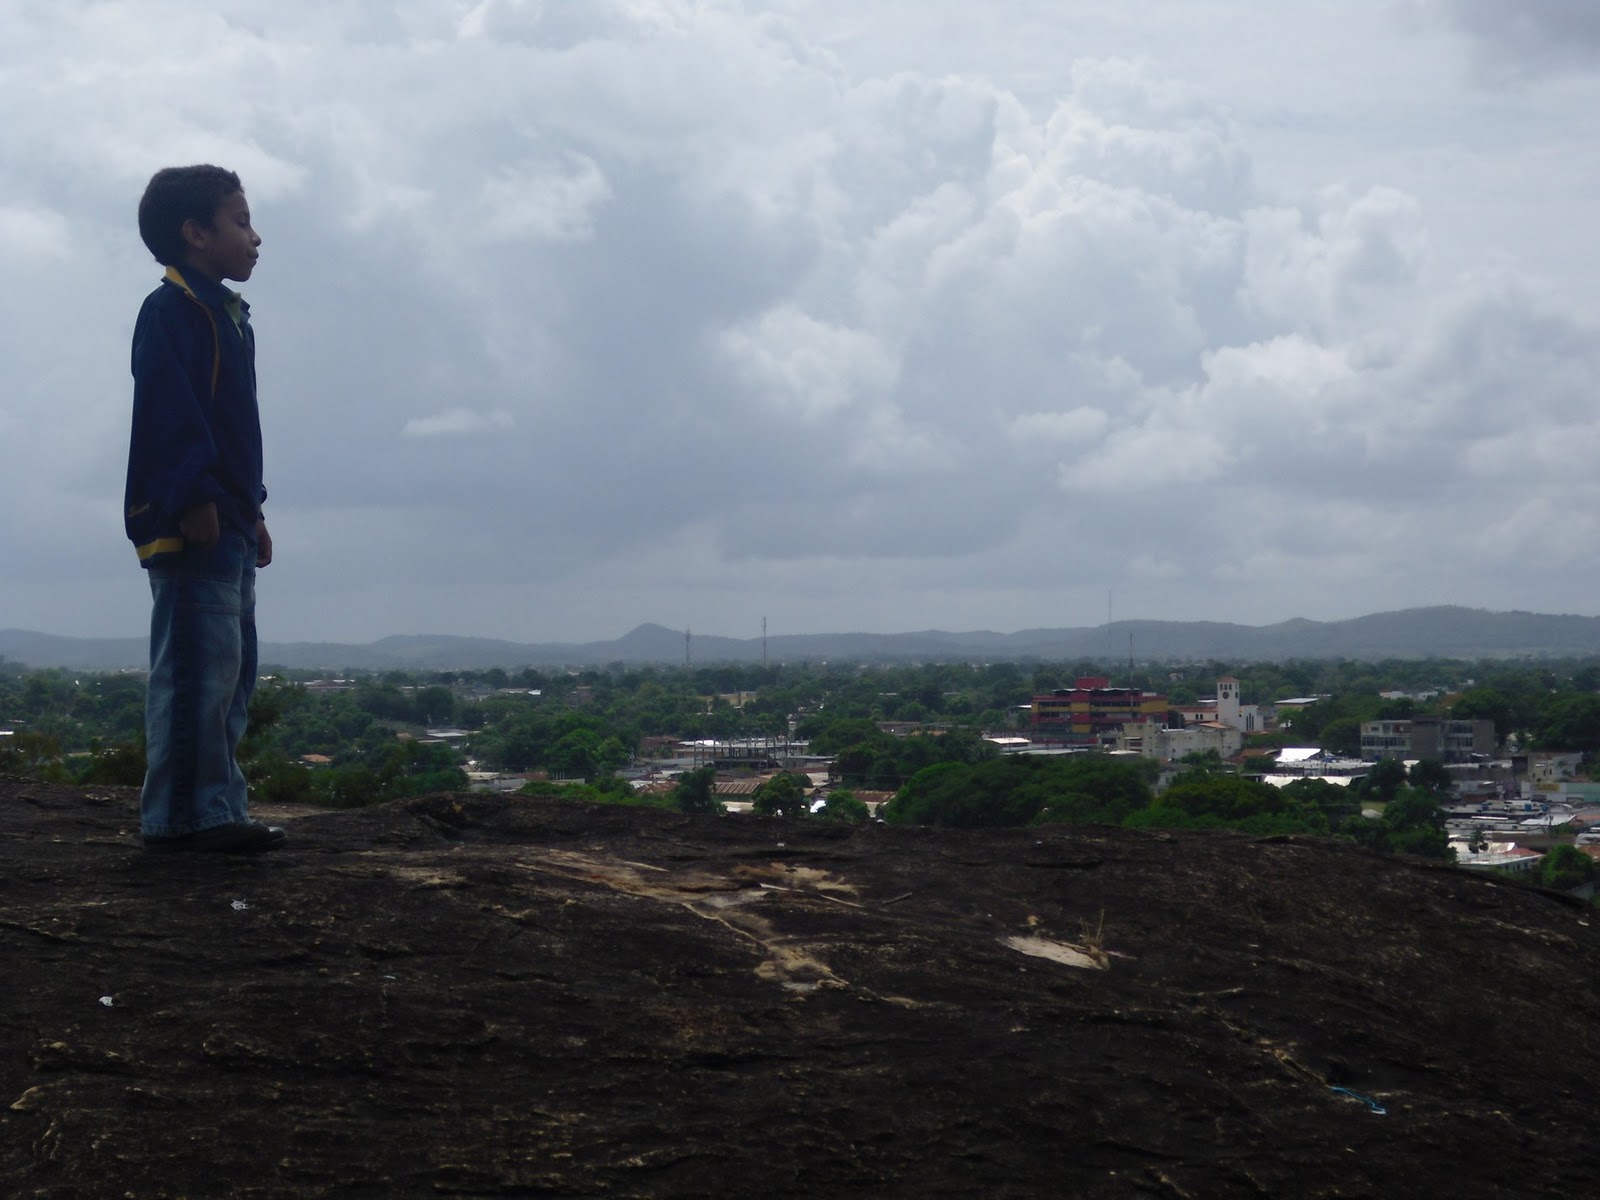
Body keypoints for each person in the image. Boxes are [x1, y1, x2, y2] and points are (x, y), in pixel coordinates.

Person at [124, 164, 285, 854]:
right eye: (240, 221)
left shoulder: (223, 312)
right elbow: (169, 410)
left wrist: (253, 509)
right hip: (196, 520)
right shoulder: (172, 310)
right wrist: (191, 496)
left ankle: (215, 807)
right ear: (196, 232)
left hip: (229, 518)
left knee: (228, 673)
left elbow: (231, 430)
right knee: (194, 669)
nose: (256, 237)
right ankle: (183, 819)